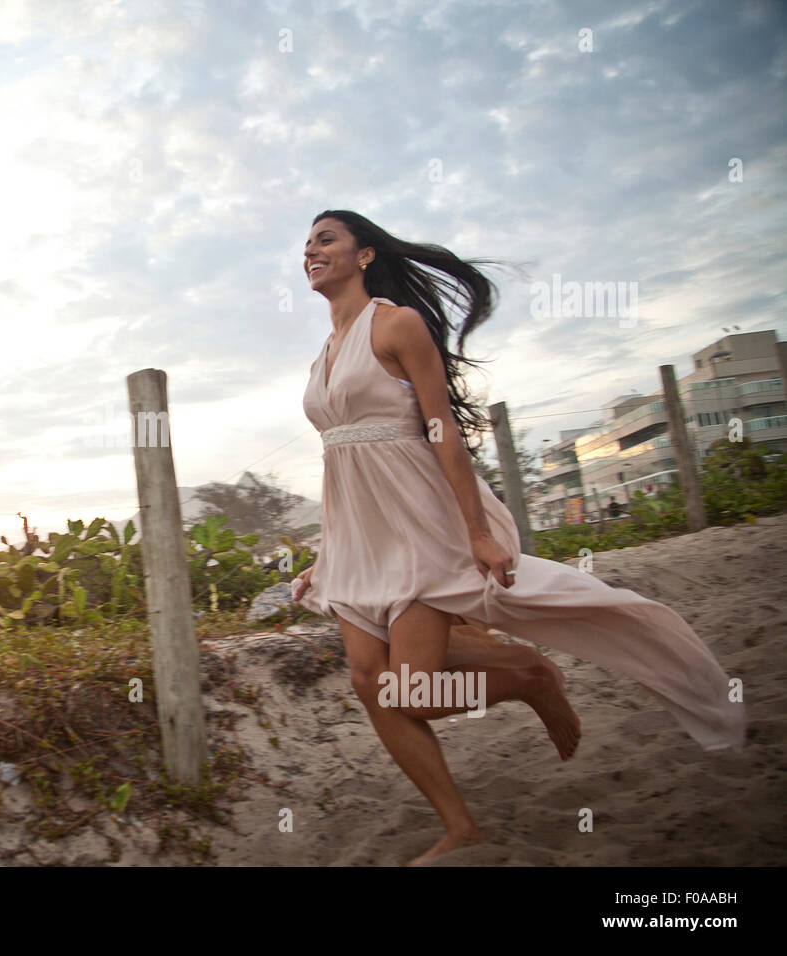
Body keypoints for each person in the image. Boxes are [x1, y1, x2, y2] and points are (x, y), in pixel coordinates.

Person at [290, 210, 744, 865]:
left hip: (423, 527)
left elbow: (442, 429)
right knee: (370, 684)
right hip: (360, 542)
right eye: (306, 244)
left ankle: (530, 677)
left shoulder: (396, 325)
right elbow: (343, 465)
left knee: (411, 691)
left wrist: (475, 531)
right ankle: (460, 827)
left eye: (325, 239)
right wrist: (326, 558)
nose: (311, 250)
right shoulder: (322, 356)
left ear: (364, 255)